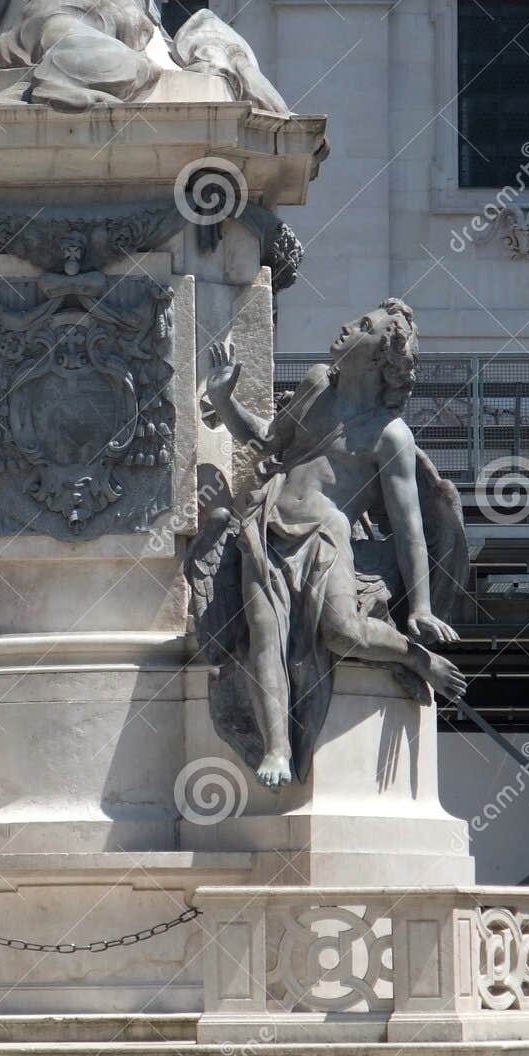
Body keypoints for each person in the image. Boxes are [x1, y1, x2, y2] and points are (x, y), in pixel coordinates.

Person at [187, 300, 468, 790]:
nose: (344, 325)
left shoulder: (390, 436)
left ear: (380, 356)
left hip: (325, 536)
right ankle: (278, 747)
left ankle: (414, 658)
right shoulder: (318, 384)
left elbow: (410, 527)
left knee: (342, 632)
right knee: (263, 634)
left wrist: (420, 606)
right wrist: (225, 400)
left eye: (362, 326)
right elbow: (269, 441)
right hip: (266, 521)